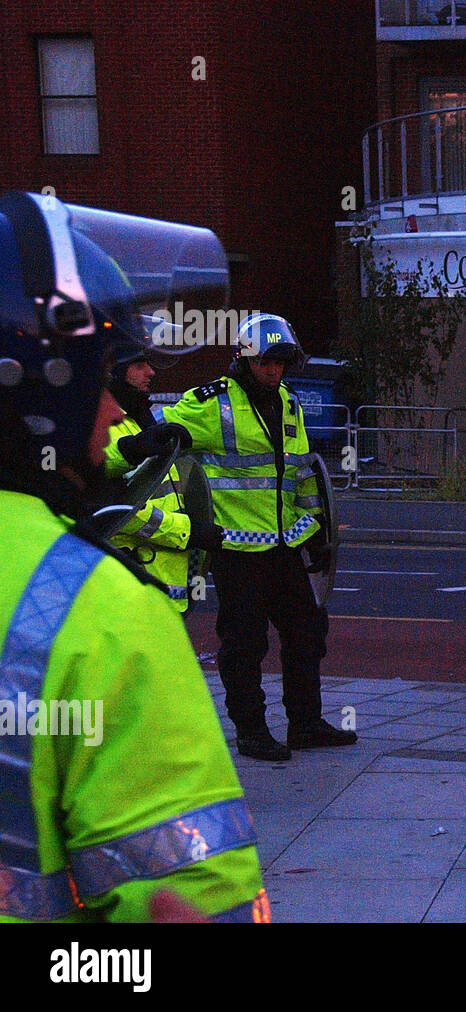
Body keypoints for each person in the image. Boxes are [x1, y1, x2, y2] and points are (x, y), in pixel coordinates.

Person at [0, 190, 266, 921]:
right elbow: (191, 893)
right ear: (38, 389)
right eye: (99, 375)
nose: (115, 406)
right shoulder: (92, 608)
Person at [161, 313, 354, 761]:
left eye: (282, 363)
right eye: (267, 363)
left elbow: (303, 471)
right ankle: (251, 730)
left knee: (307, 633)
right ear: (245, 360)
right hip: (236, 547)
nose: (274, 371)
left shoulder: (288, 402)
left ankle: (305, 723)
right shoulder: (211, 403)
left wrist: (316, 533)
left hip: (286, 544)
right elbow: (160, 435)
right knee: (244, 644)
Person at [101, 347, 225, 612]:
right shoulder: (100, 425)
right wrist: (188, 531)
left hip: (162, 587)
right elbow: (118, 511)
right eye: (139, 365)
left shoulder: (141, 420)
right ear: (113, 371)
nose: (151, 372)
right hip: (133, 590)